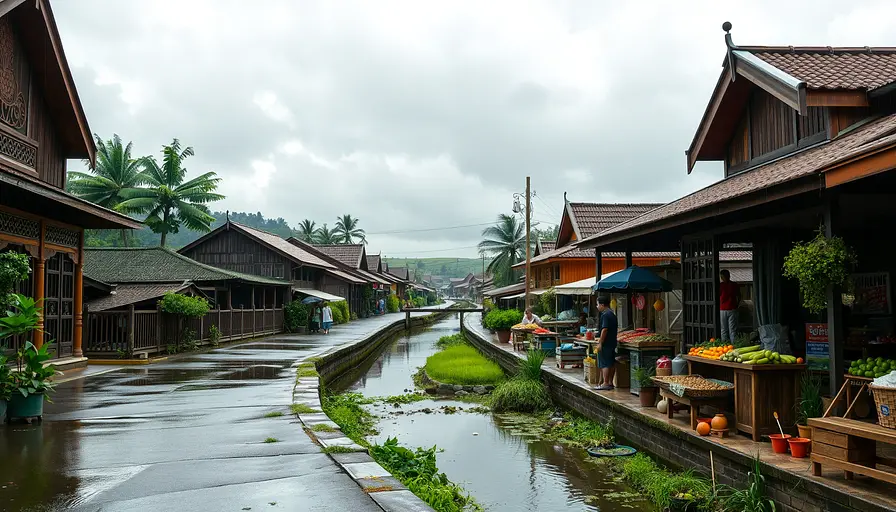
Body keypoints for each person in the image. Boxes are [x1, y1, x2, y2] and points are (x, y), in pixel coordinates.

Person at [595, 296, 618, 391]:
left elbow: (604, 329)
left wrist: (600, 342)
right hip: (612, 342)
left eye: (597, 304)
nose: (597, 307)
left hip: (606, 343)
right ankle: (610, 382)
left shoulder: (605, 315)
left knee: (605, 363)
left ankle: (605, 382)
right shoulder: (612, 314)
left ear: (602, 305)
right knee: (611, 362)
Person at [719, 269, 740, 342]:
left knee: (724, 329)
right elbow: (739, 296)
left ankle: (725, 345)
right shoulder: (734, 285)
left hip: (724, 309)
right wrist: (737, 305)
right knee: (732, 329)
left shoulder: (720, 286)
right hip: (731, 309)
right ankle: (733, 345)